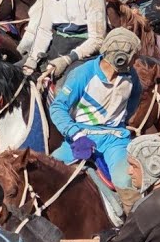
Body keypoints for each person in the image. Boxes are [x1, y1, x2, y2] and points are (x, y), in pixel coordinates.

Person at [48, 27, 143, 189]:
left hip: (116, 140)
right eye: (134, 57)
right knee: (50, 172)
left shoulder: (131, 76)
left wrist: (120, 123)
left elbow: (134, 99)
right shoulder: (83, 74)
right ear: (121, 58)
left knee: (126, 180)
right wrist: (76, 135)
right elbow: (57, 107)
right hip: (81, 136)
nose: (135, 62)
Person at [21, 0, 107, 79]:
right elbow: (44, 30)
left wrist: (68, 59)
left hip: (82, 50)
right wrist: (33, 59)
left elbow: (97, 39)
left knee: (62, 88)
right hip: (57, 44)